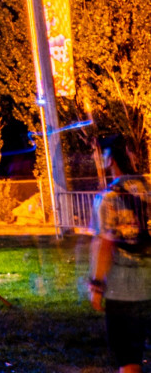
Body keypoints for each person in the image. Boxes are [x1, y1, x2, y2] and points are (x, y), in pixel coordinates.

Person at [88, 134, 150, 373]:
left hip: (123, 292)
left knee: (129, 358)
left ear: (109, 159)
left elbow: (105, 246)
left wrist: (96, 287)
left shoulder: (108, 198)